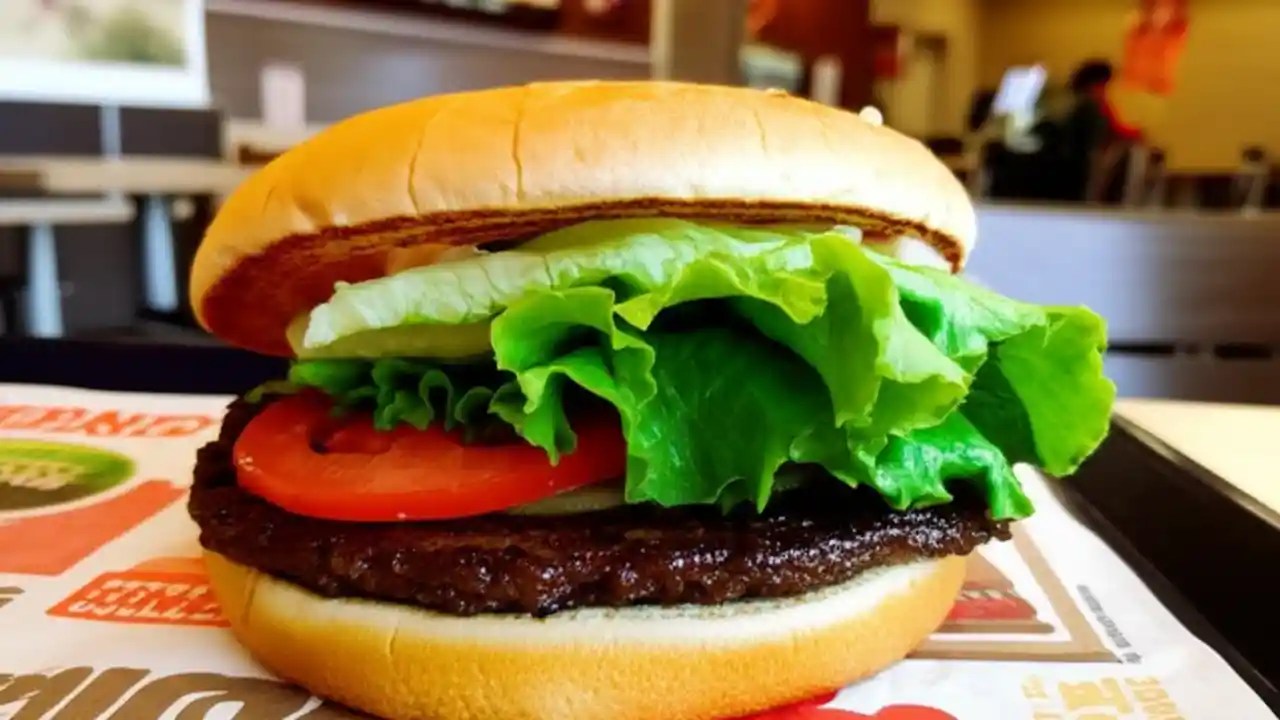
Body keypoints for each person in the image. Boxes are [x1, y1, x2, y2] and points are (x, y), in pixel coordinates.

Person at [1058, 60, 1143, 201]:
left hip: (1078, 162)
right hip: (1086, 162)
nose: (1105, 90)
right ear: (1095, 84)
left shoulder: (1077, 103)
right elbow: (1115, 129)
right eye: (1104, 85)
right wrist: (1138, 134)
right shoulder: (1092, 106)